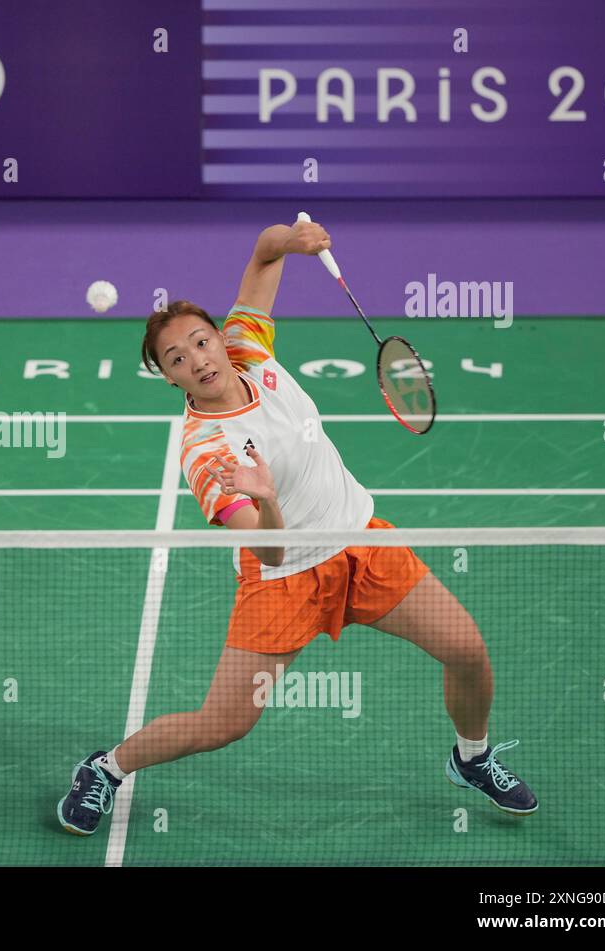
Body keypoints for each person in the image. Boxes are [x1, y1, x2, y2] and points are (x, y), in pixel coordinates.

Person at [56, 217, 536, 836]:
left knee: (468, 650)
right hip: (283, 580)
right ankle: (106, 768)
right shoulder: (206, 453)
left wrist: (293, 240)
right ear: (168, 376)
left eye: (201, 342)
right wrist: (267, 497)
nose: (199, 359)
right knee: (224, 723)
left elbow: (261, 256)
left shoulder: (247, 349)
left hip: (363, 540)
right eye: (178, 358)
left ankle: (472, 758)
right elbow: (271, 549)